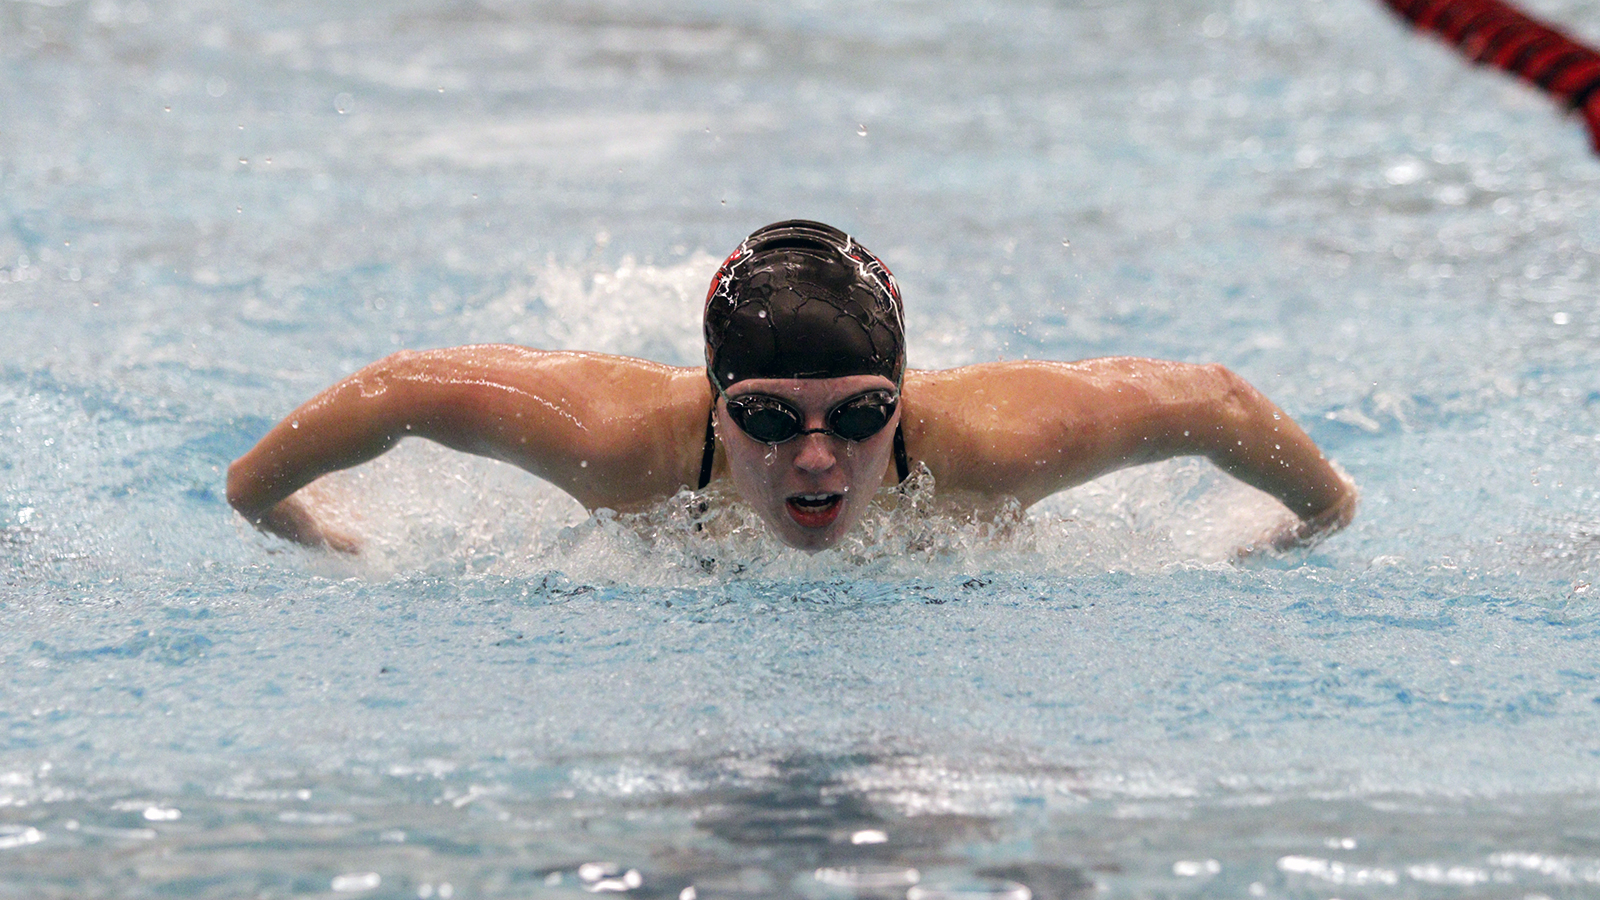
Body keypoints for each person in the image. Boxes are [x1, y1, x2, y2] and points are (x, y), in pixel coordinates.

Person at [227, 220, 1357, 555]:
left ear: (904, 400)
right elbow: (401, 387)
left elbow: (1214, 399)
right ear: (712, 403)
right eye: (768, 420)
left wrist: (1317, 521)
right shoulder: (615, 441)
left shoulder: (994, 446)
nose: (815, 457)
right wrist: (288, 518)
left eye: (861, 416)